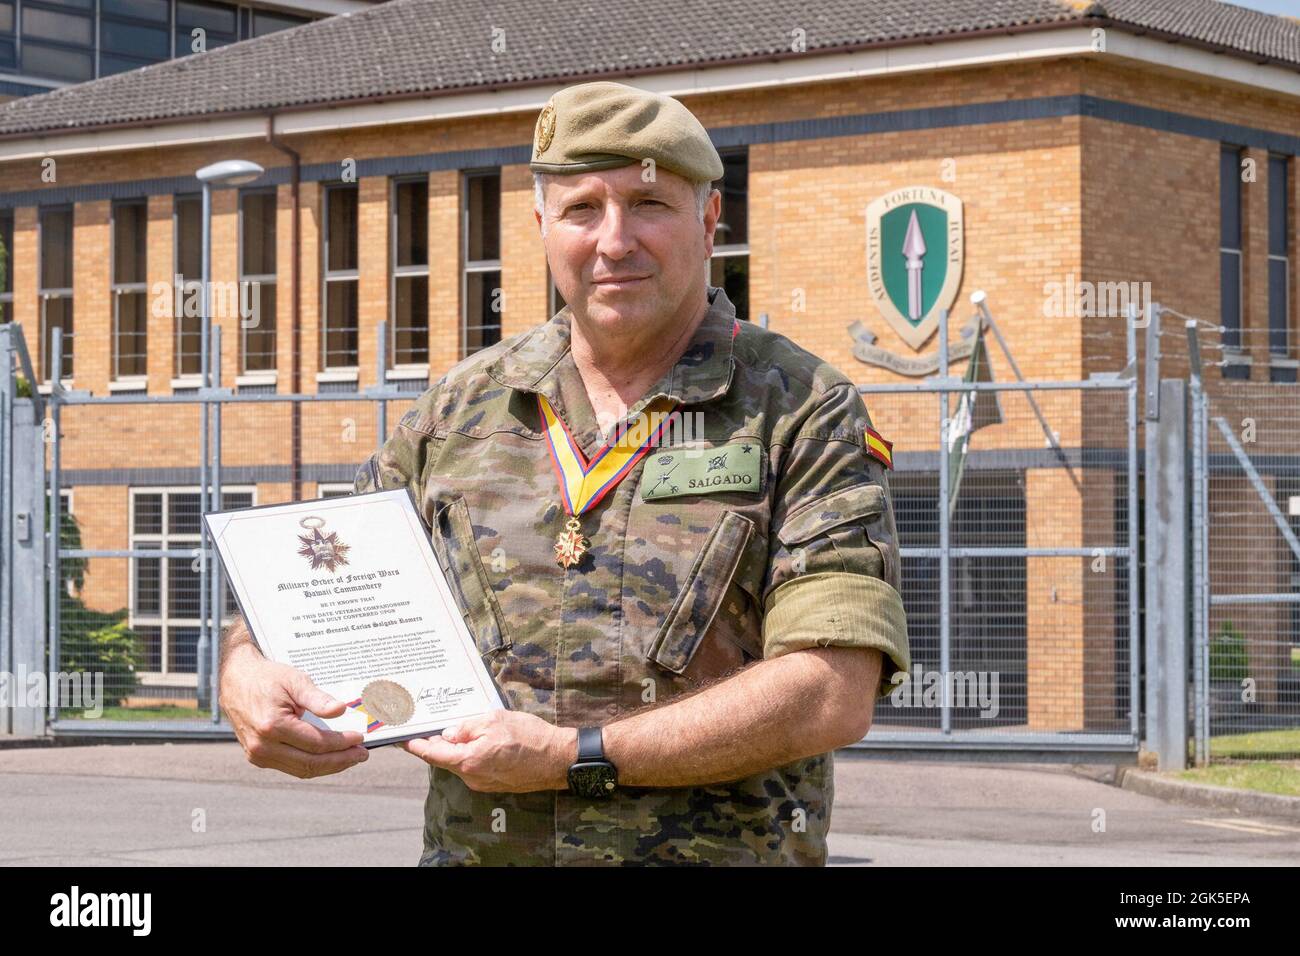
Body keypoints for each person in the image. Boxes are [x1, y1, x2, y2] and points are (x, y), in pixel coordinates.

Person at [219, 80, 909, 866]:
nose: (615, 241)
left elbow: (832, 688)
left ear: (709, 220)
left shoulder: (800, 410)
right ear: (543, 226)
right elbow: (316, 585)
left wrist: (577, 758)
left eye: (648, 204)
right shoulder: (458, 411)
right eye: (582, 208)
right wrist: (245, 667)